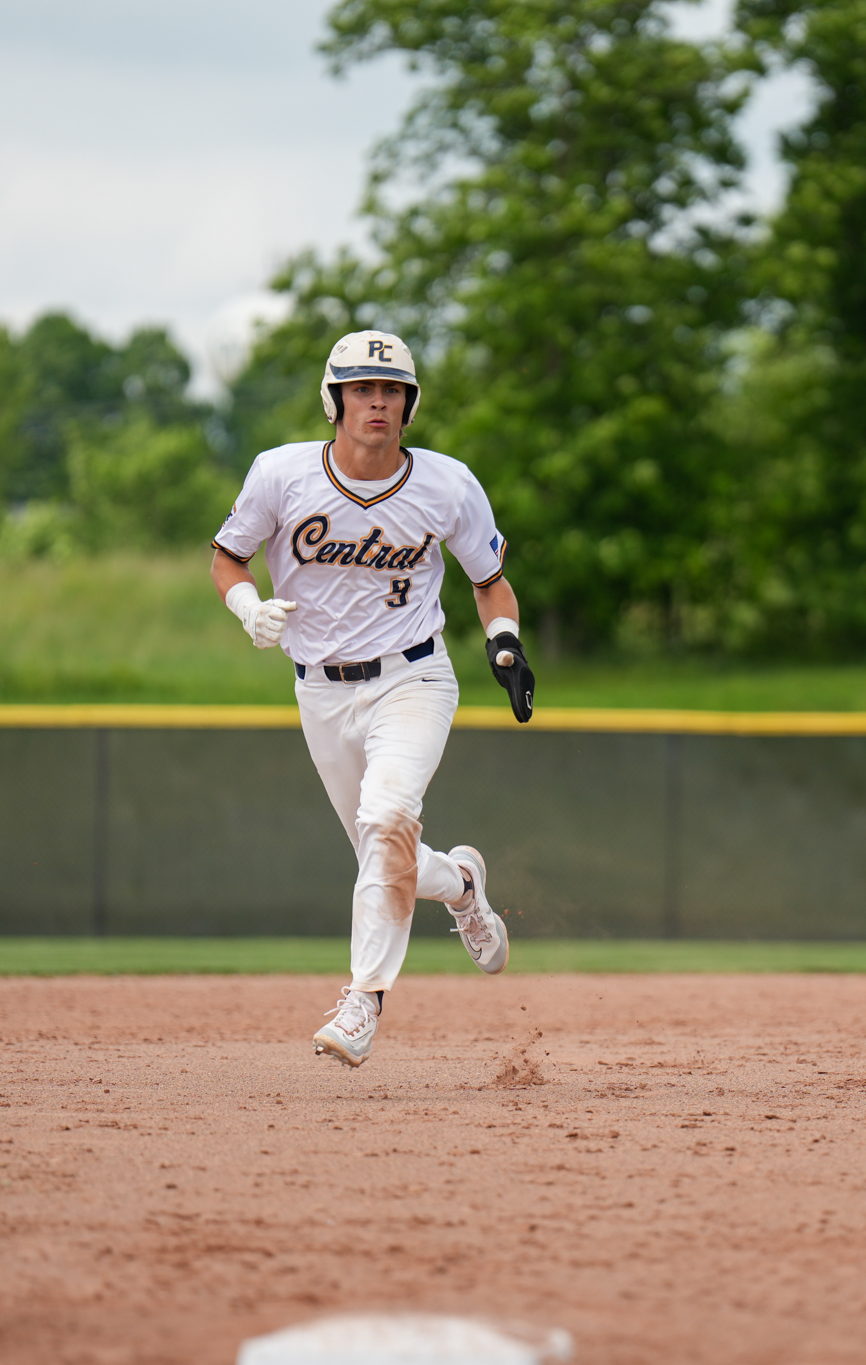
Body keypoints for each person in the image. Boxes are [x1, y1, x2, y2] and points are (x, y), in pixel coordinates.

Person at [209, 330, 535, 1067]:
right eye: (363, 388)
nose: (377, 401)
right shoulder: (281, 475)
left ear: (409, 404)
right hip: (321, 692)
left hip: (412, 677)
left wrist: (505, 640)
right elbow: (228, 556)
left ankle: (364, 999)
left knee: (387, 820)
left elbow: (489, 582)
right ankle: (462, 883)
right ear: (335, 400)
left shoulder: (447, 483)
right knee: (383, 854)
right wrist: (245, 607)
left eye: (391, 390)